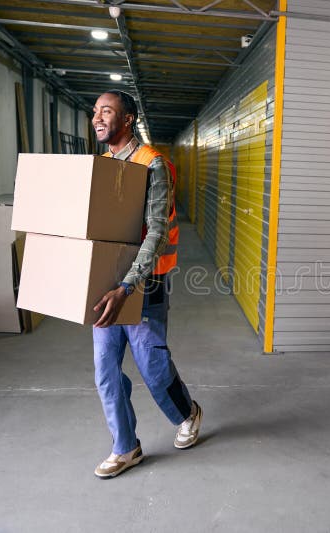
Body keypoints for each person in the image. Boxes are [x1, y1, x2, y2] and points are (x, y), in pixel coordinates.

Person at [90, 90, 202, 479]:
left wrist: (125, 287)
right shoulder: (102, 166)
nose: (97, 119)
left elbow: (155, 232)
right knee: (105, 370)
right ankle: (126, 448)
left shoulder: (153, 164)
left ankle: (187, 412)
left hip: (144, 282)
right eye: (95, 113)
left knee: (153, 367)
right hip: (105, 282)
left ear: (127, 119)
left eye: (106, 112)